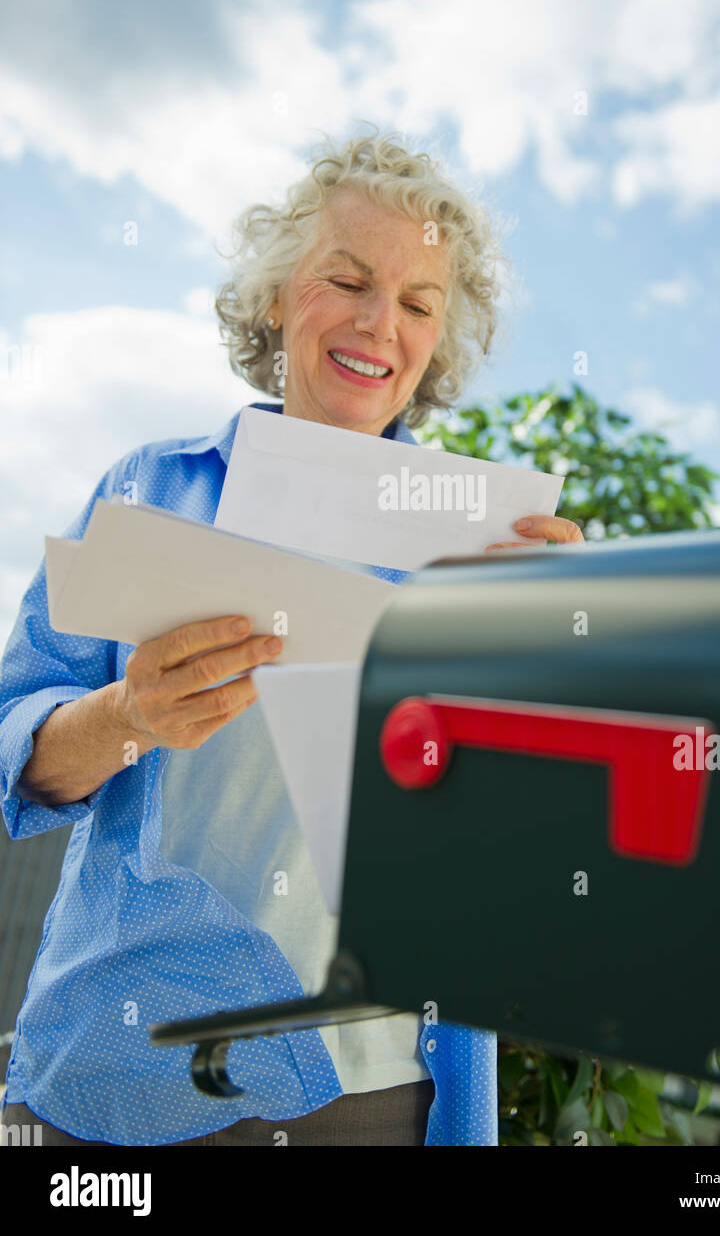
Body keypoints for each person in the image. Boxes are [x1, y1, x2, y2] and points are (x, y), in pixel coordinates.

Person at [0, 130, 583, 1147]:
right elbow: (13, 746)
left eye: (415, 303)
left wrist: (562, 651)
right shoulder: (154, 489)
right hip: (121, 1070)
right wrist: (126, 716)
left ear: (437, 344)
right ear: (277, 296)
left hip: (370, 1090)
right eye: (346, 279)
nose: (377, 323)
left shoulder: (483, 548)